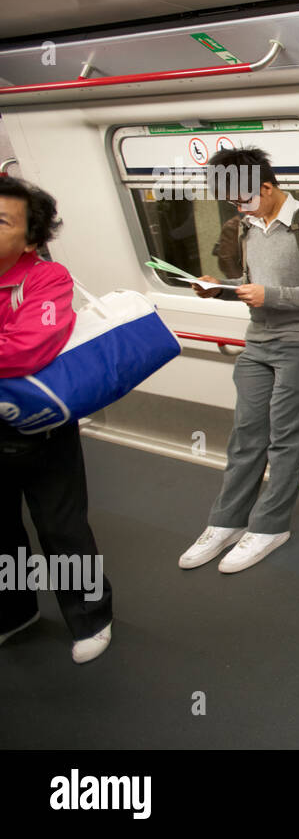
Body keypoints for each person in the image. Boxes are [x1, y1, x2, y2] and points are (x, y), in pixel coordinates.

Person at [181, 146, 299, 573]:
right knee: (246, 435)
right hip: (259, 341)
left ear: (267, 187)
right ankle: (226, 521)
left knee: (286, 438)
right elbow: (254, 283)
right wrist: (222, 287)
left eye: (243, 199)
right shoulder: (248, 227)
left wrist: (273, 297)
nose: (238, 208)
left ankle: (270, 526)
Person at [0, 175, 113, 662]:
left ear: (29, 237)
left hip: (40, 426)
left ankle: (91, 617)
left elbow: (28, 349)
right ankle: (14, 611)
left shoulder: (45, 278)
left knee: (61, 528)